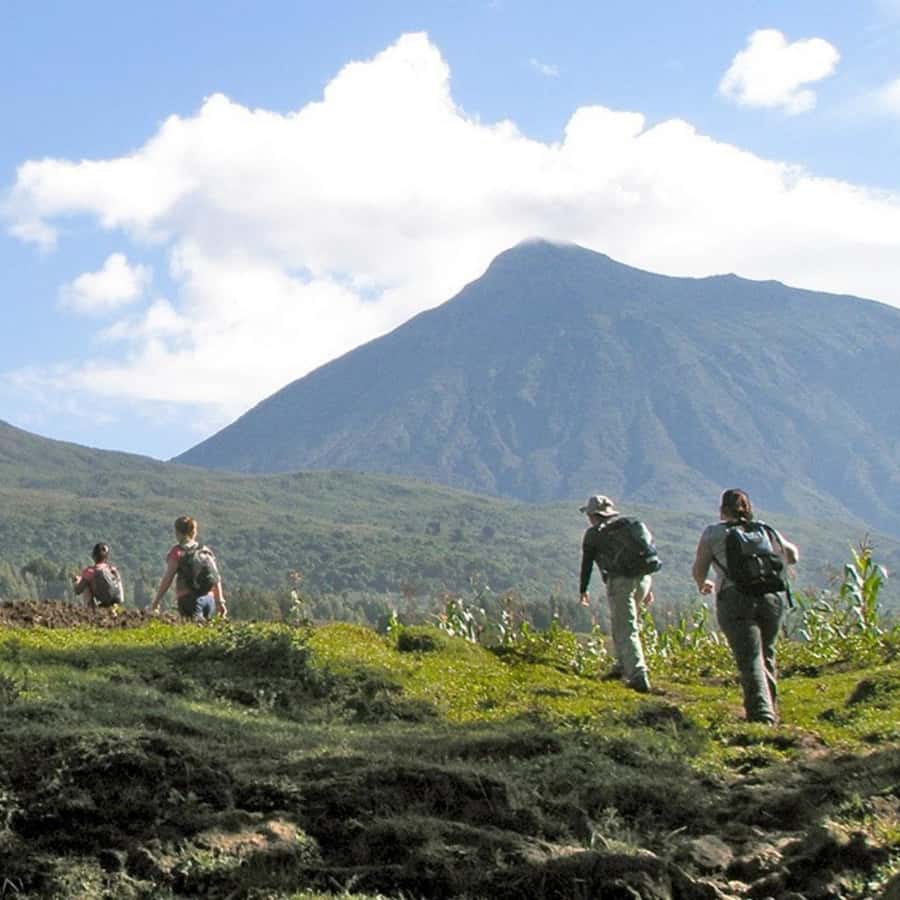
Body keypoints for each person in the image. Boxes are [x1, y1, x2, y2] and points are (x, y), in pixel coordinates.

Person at [692, 488, 799, 725]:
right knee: (767, 654)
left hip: (735, 598)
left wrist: (703, 584)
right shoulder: (765, 529)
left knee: (749, 657)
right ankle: (772, 709)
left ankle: (762, 716)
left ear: (722, 511)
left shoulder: (713, 533)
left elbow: (699, 569)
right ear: (749, 509)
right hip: (771, 598)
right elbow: (793, 556)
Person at [579, 494, 657, 693]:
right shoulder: (628, 527)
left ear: (592, 515)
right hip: (643, 579)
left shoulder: (594, 534)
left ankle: (638, 674)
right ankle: (621, 666)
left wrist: (583, 589)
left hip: (620, 582)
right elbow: (644, 554)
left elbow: (587, 564)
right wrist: (648, 588)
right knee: (624, 623)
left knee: (625, 627)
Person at [151, 515, 226, 621]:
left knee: (191, 631)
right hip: (209, 599)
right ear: (193, 531)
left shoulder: (177, 552)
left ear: (177, 532)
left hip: (188, 599)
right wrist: (220, 601)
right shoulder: (205, 550)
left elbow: (168, 579)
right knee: (205, 632)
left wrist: (156, 600)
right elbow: (216, 577)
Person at [72, 543, 124, 608]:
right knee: (117, 576)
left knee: (86, 584)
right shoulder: (112, 569)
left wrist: (77, 581)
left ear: (94, 556)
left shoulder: (90, 571)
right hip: (117, 600)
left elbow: (78, 591)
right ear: (107, 557)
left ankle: (91, 609)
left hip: (104, 601)